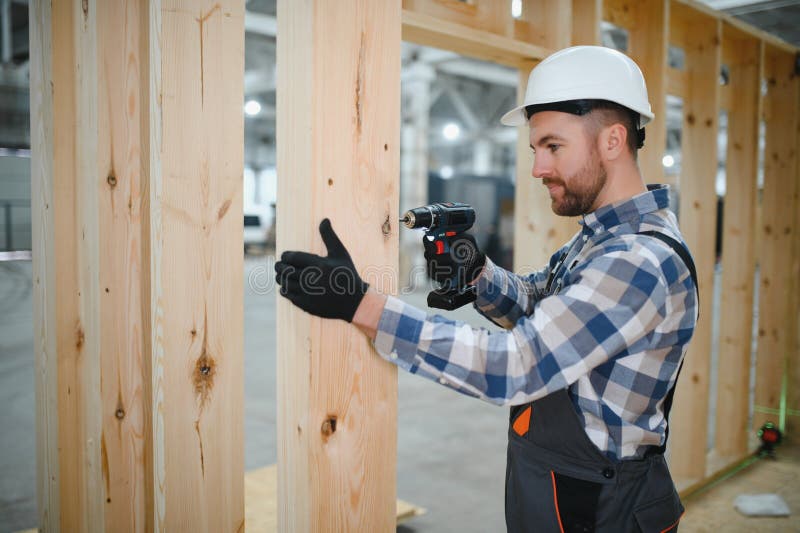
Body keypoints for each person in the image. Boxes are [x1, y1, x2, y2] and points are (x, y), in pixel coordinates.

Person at [275, 45, 698, 532]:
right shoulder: (603, 240)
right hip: (564, 484)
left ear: (612, 140)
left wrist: (363, 305)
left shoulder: (638, 262)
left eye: (553, 146)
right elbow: (542, 305)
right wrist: (476, 273)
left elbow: (518, 365)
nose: (538, 168)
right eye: (535, 149)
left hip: (600, 507)